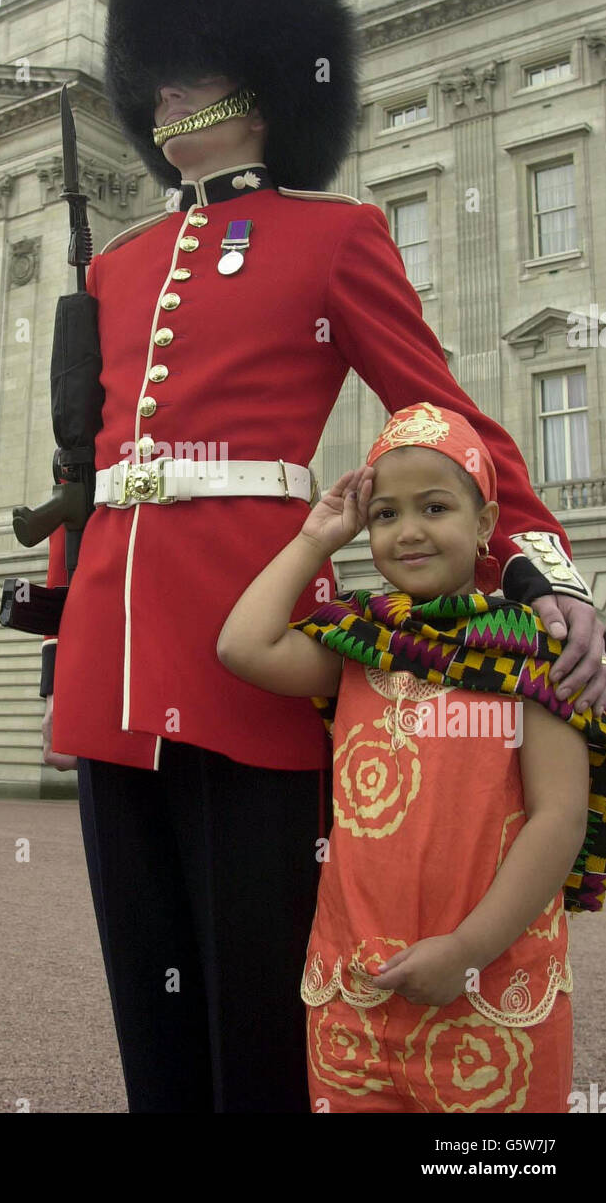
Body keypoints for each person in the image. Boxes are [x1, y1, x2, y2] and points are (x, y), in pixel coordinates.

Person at [39, 0, 606, 1113]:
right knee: (149, 985)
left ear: (261, 83)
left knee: (255, 988)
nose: (172, 99)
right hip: (109, 650)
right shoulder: (118, 264)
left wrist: (542, 572)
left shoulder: (332, 236)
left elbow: (449, 414)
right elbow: (91, 459)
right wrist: (59, 598)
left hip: (246, 635)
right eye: (162, 81)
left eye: (199, 76)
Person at [217, 402, 605, 1112]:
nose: (408, 532)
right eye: (385, 515)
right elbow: (242, 646)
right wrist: (314, 537)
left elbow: (558, 821)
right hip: (354, 992)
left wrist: (464, 952)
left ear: (485, 523)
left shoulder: (532, 651)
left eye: (433, 506)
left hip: (489, 990)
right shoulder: (358, 647)